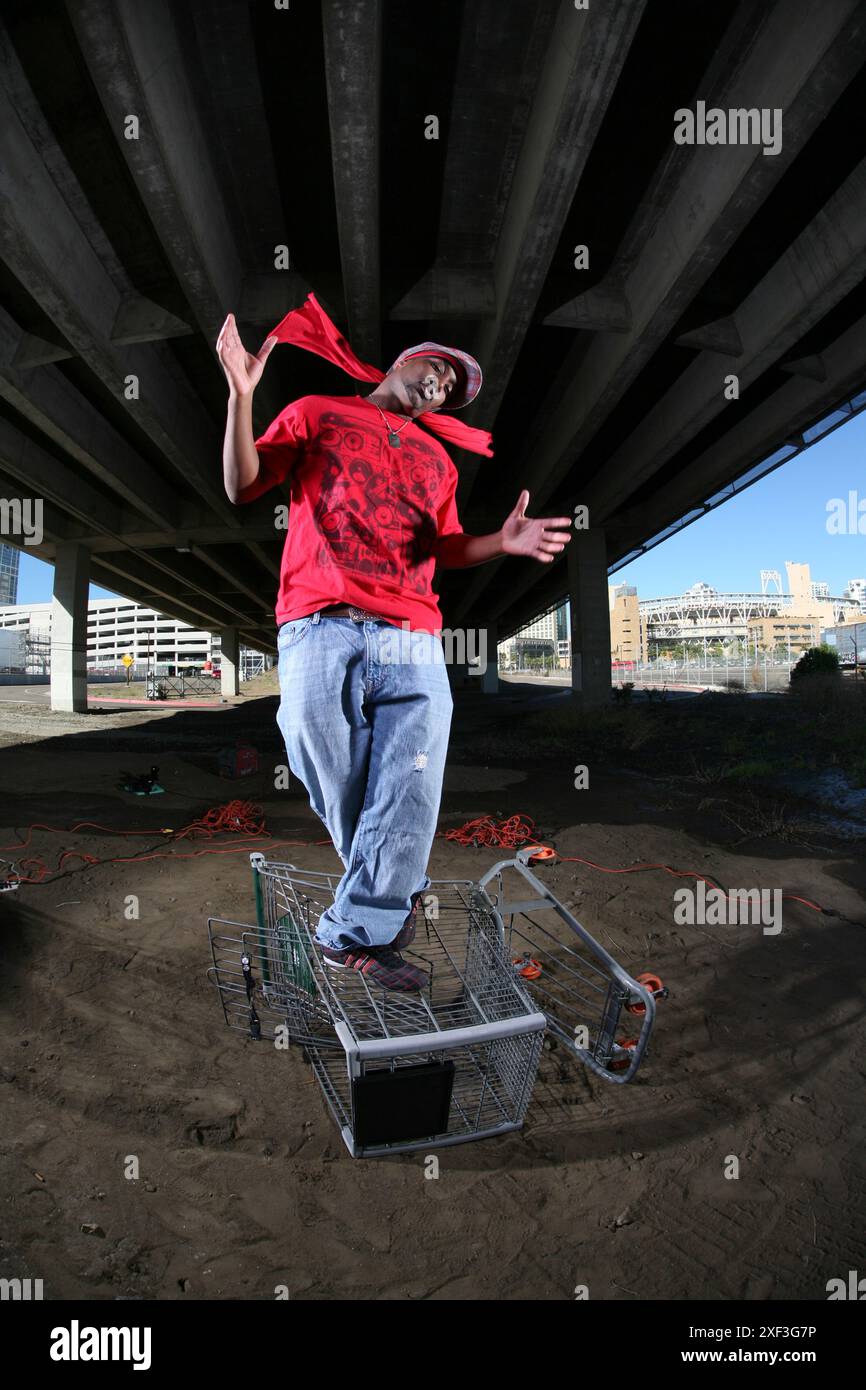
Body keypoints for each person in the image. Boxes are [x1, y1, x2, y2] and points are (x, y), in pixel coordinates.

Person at [217, 298, 572, 991]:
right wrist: (242, 397)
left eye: (449, 387)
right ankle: (387, 897)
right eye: (434, 369)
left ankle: (354, 931)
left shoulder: (439, 460)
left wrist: (502, 541)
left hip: (412, 633)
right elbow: (243, 485)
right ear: (403, 363)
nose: (439, 385)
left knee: (410, 783)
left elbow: (445, 545)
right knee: (327, 760)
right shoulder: (319, 412)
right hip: (320, 620)